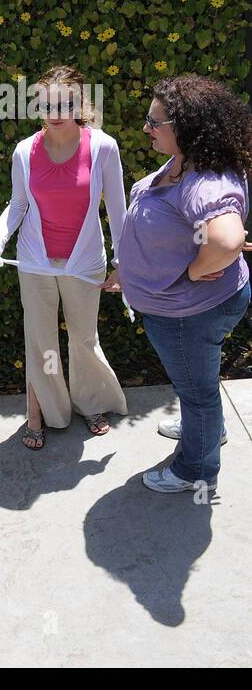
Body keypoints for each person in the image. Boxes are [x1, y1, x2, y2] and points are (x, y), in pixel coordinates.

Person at [105, 74, 252, 493]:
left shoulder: (203, 179)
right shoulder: (186, 161)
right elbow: (187, 233)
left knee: (197, 391)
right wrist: (130, 271)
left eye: (155, 122)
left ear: (186, 127)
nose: (146, 128)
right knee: (198, 386)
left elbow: (225, 238)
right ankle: (205, 429)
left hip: (191, 313)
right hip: (193, 306)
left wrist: (189, 272)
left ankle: (196, 470)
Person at [0, 66, 129, 450]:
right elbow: (17, 205)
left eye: (65, 102)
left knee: (83, 339)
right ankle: (43, 412)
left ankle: (90, 401)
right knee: (40, 342)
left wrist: (122, 266)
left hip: (85, 262)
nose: (56, 111)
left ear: (80, 103)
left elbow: (119, 211)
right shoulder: (25, 151)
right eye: (47, 104)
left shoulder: (104, 147)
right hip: (35, 262)